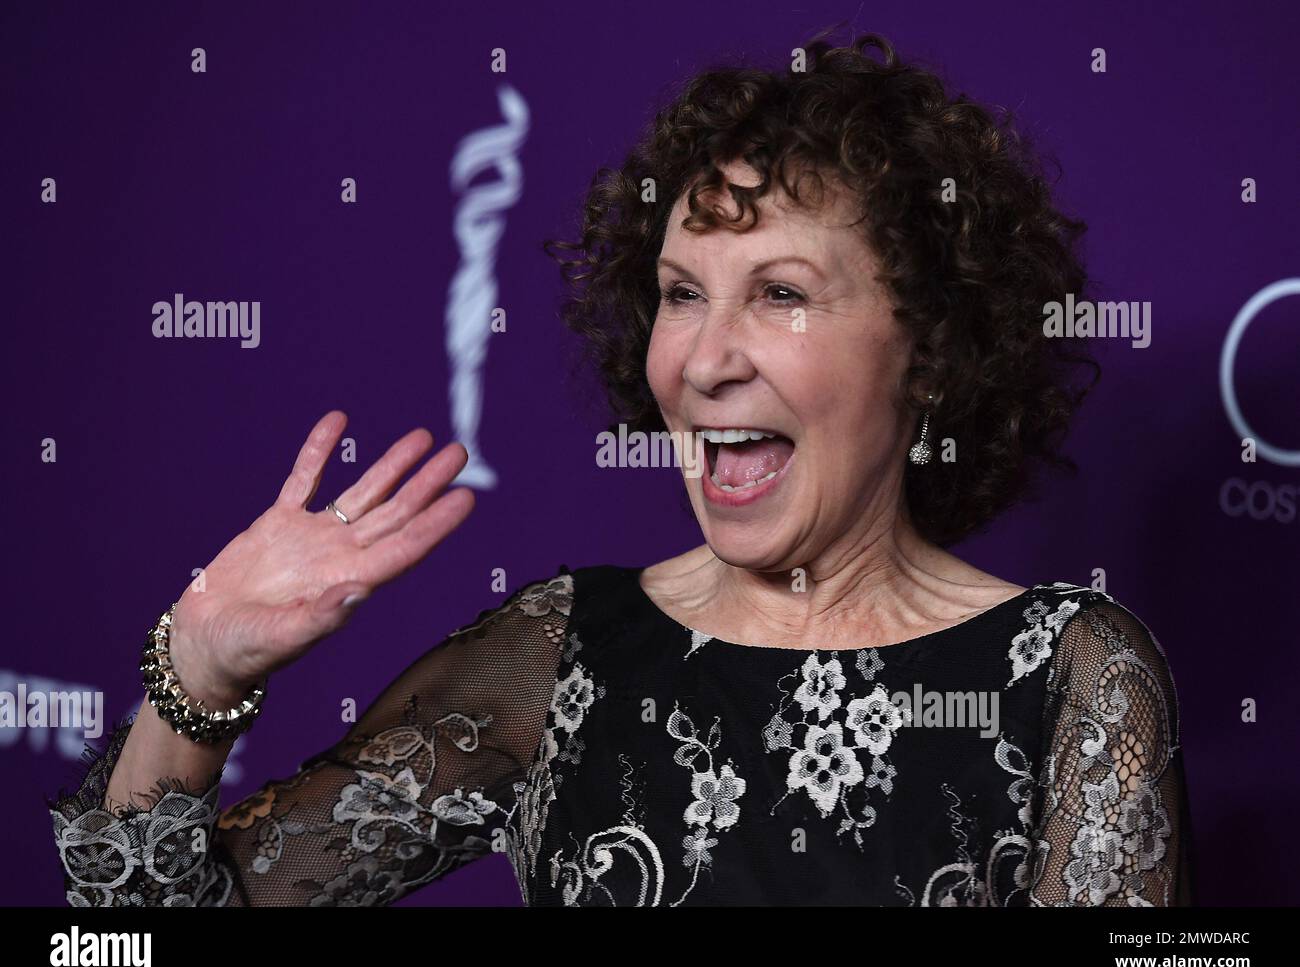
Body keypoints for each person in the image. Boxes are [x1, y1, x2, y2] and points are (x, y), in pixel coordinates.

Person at [47, 31, 1193, 907]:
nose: (701, 359)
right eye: (682, 294)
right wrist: (195, 672)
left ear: (932, 353)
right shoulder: (562, 655)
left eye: (780, 295)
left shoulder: (1072, 676)